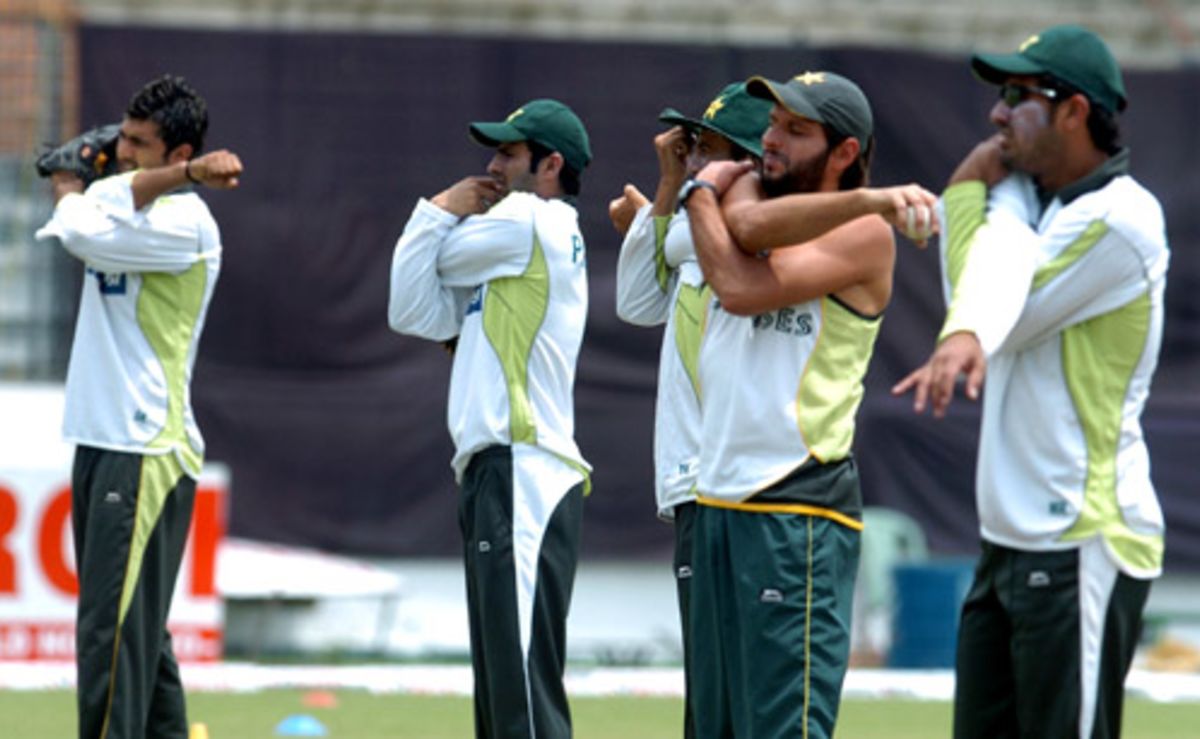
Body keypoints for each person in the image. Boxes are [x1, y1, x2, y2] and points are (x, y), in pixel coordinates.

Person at [892, 25, 1169, 739]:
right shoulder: (1031, 205)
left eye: (1019, 95)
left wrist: (964, 191)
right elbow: (980, 287)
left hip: (1082, 534)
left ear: (1076, 110)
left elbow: (996, 316)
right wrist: (985, 193)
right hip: (1008, 538)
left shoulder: (1123, 219)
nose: (996, 113)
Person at [682, 71, 938, 739]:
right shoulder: (744, 187)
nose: (770, 140)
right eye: (771, 123)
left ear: (845, 152)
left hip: (794, 507)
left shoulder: (867, 234)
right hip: (716, 499)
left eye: (797, 131)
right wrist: (712, 196)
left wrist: (699, 194)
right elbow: (741, 219)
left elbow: (737, 285)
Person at [35, 74, 242, 739]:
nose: (122, 152)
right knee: (140, 643)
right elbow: (95, 215)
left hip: (144, 448)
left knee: (109, 641)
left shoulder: (184, 221)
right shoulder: (130, 202)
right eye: (120, 138)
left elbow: (79, 231)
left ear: (178, 152)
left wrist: (70, 182)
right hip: (104, 440)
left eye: (139, 143)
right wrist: (95, 185)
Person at [387, 98, 592, 739]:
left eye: (508, 153)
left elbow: (424, 268)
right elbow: (414, 311)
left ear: (550, 164)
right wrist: (446, 224)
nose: (492, 166)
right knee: (505, 685)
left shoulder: (531, 219)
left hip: (521, 467)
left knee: (520, 693)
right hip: (497, 466)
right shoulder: (506, 247)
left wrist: (442, 207)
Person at [608, 80, 770, 739]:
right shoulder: (687, 230)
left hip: (734, 481)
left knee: (744, 682)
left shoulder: (749, 232)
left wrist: (665, 213)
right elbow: (634, 302)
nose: (697, 160)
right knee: (708, 685)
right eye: (693, 147)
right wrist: (668, 186)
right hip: (692, 480)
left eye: (709, 149)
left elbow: (697, 246)